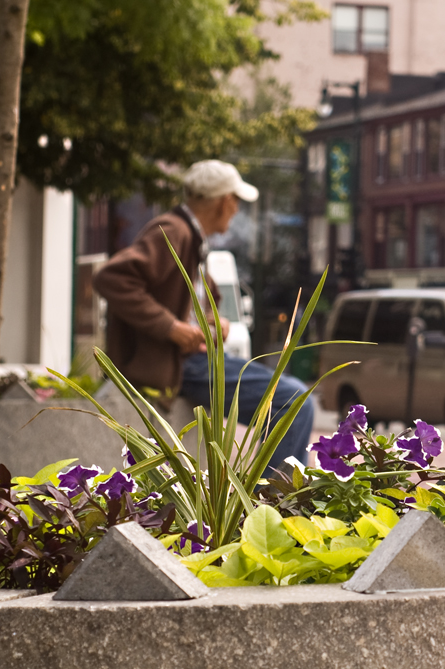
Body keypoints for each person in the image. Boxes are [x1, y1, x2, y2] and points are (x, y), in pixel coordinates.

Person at [93, 159, 314, 467]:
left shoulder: (190, 237)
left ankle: (273, 495)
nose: (237, 209)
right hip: (181, 364)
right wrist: (170, 327)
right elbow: (111, 278)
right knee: (295, 403)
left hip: (189, 361)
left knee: (297, 397)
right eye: (235, 200)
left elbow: (181, 301)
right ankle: (273, 502)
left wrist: (211, 322)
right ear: (224, 201)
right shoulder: (174, 231)